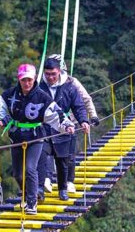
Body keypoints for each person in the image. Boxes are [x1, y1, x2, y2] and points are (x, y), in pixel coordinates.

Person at [0, 63, 74, 214]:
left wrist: (66, 125)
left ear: (34, 79)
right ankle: (26, 195)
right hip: (17, 136)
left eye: (29, 80)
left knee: (31, 168)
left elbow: (56, 114)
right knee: (18, 173)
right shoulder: (9, 95)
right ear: (19, 79)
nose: (27, 83)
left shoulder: (42, 97)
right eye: (24, 80)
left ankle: (32, 203)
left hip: (35, 137)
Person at [42, 54, 99, 195]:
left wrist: (91, 117)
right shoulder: (41, 84)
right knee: (46, 151)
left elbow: (84, 101)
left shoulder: (72, 83)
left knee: (68, 155)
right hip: (50, 124)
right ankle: (47, 179)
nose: (51, 77)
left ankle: (69, 182)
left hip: (70, 123)